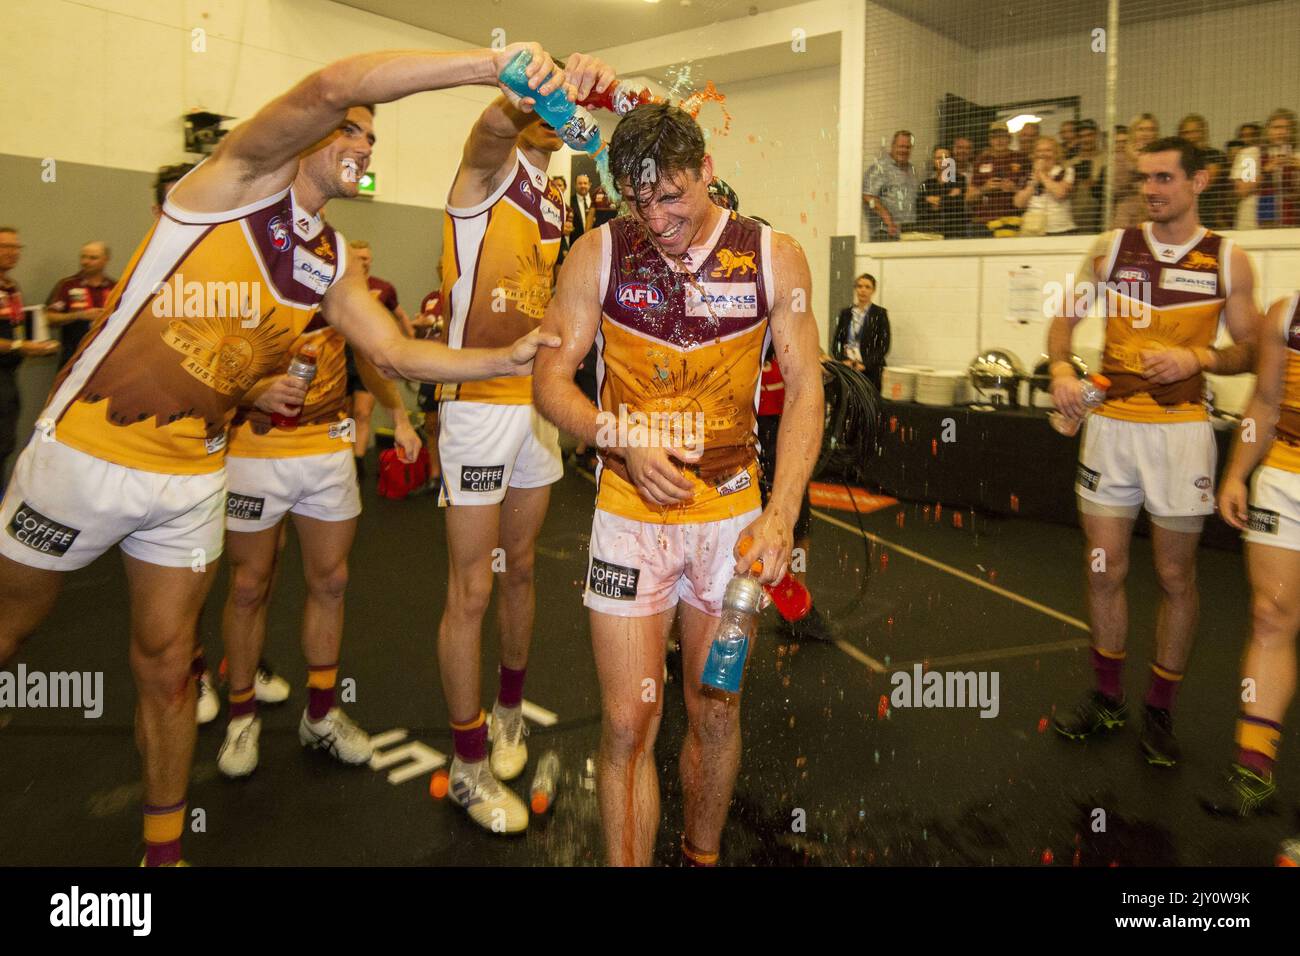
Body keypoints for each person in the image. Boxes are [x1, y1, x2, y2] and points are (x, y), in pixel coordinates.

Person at [0, 42, 564, 866]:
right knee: (11, 628)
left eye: (372, 141)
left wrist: (501, 361)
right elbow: (338, 82)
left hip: (194, 474)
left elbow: (399, 354)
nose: (366, 146)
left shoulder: (328, 258)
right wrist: (490, 66)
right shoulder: (230, 180)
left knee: (163, 670)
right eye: (354, 133)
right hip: (85, 450)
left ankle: (164, 854)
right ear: (305, 136)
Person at [533, 102, 824, 866]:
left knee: (714, 708)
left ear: (705, 172)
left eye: (672, 196)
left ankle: (702, 855)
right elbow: (550, 380)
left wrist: (782, 514)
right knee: (629, 721)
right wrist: (614, 435)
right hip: (628, 513)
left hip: (731, 514)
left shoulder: (774, 254)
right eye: (639, 199)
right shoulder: (596, 254)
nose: (655, 219)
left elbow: (806, 386)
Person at [432, 51, 615, 835]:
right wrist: (516, 94)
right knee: (471, 586)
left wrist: (598, 102)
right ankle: (466, 762)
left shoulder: (555, 192)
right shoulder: (485, 173)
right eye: (544, 101)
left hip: (538, 400)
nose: (554, 110)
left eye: (559, 103)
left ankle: (508, 712)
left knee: (521, 569)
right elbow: (485, 131)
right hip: (476, 400)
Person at [1048, 137, 1261, 767]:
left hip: (1182, 432)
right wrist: (1061, 368)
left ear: (1200, 182)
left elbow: (1251, 350)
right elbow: (1065, 315)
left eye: (1166, 178)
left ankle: (1160, 711)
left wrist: (1200, 357)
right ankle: (1107, 697)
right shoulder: (1112, 247)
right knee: (1103, 568)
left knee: (1175, 576)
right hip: (1110, 427)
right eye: (1146, 178)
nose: (1152, 189)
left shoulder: (1229, 259)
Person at [217, 273, 422, 778]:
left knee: (331, 581)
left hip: (326, 448)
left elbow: (369, 358)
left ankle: (322, 712)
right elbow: (207, 367)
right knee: (247, 585)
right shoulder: (243, 270)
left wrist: (398, 414)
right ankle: (241, 715)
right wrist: (250, 392)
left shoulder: (334, 277)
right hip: (255, 447)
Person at [1200, 291, 1300, 817]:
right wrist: (1237, 472)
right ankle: (1252, 768)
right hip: (1285, 473)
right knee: (1269, 615)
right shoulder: (1288, 312)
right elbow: (1264, 400)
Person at [347, 238, 414, 475]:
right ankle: (344, 457)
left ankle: (358, 463)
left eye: (365, 257)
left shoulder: (383, 288)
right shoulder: (340, 287)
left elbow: (402, 316)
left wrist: (409, 341)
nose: (361, 262)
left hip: (370, 358)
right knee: (345, 416)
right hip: (342, 358)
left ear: (371, 259)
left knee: (362, 413)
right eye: (356, 257)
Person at [0, 228, 59, 491]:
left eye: (16, 247)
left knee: (4, 443)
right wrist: (20, 345)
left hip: (8, 378)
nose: (12, 253)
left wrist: (34, 344)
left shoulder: (11, 287)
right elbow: (15, 341)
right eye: (4, 246)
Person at [44, 241, 116, 367]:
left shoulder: (115, 287)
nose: (86, 261)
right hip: (73, 358)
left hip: (107, 359)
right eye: (83, 257)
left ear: (106, 260)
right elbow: (48, 318)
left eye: (93, 258)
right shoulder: (67, 285)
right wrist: (79, 315)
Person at [967, 121, 1027, 236]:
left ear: (1009, 138)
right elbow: (968, 198)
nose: (999, 140)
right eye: (995, 137)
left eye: (1002, 136)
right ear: (990, 140)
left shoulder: (1021, 159)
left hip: (1011, 221)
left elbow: (1032, 194)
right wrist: (985, 188)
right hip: (983, 222)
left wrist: (1014, 189)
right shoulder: (980, 161)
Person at [832, 273, 890, 391]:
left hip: (870, 371)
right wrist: (843, 360)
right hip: (847, 369)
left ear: (873, 290)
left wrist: (865, 365)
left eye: (867, 287)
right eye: (859, 286)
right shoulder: (846, 313)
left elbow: (884, 346)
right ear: (855, 289)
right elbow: (837, 341)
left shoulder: (880, 314)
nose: (863, 290)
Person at [862, 130, 919, 241]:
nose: (904, 150)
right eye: (900, 146)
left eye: (907, 147)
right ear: (892, 146)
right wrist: (887, 218)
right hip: (885, 234)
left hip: (908, 235)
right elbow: (868, 196)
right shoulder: (880, 167)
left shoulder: (912, 170)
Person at [1177, 114, 1230, 230]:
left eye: (1194, 131)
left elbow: (1205, 181)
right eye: (1186, 133)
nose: (1191, 136)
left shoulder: (1215, 155)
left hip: (1210, 214)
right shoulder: (1178, 159)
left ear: (1202, 132)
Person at [1014, 137, 1076, 235]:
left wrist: (1042, 174)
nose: (1043, 154)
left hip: (1060, 229)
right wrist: (1034, 181)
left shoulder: (1066, 171)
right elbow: (1019, 203)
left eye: (1048, 150)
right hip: (1033, 229)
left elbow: (1060, 194)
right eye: (1039, 151)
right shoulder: (1027, 174)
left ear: (1056, 153)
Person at [1110, 113, 1159, 228]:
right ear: (1133, 132)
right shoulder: (1122, 155)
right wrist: (1134, 161)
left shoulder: (1162, 155)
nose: (1146, 134)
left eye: (1151, 130)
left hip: (1153, 214)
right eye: (1141, 129)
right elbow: (1116, 188)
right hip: (1127, 216)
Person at [917, 146, 967, 238]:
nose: (942, 161)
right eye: (938, 158)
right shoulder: (927, 184)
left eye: (945, 157)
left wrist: (934, 201)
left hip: (954, 232)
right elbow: (920, 206)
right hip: (931, 233)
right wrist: (948, 198)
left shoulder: (960, 180)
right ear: (933, 160)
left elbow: (957, 205)